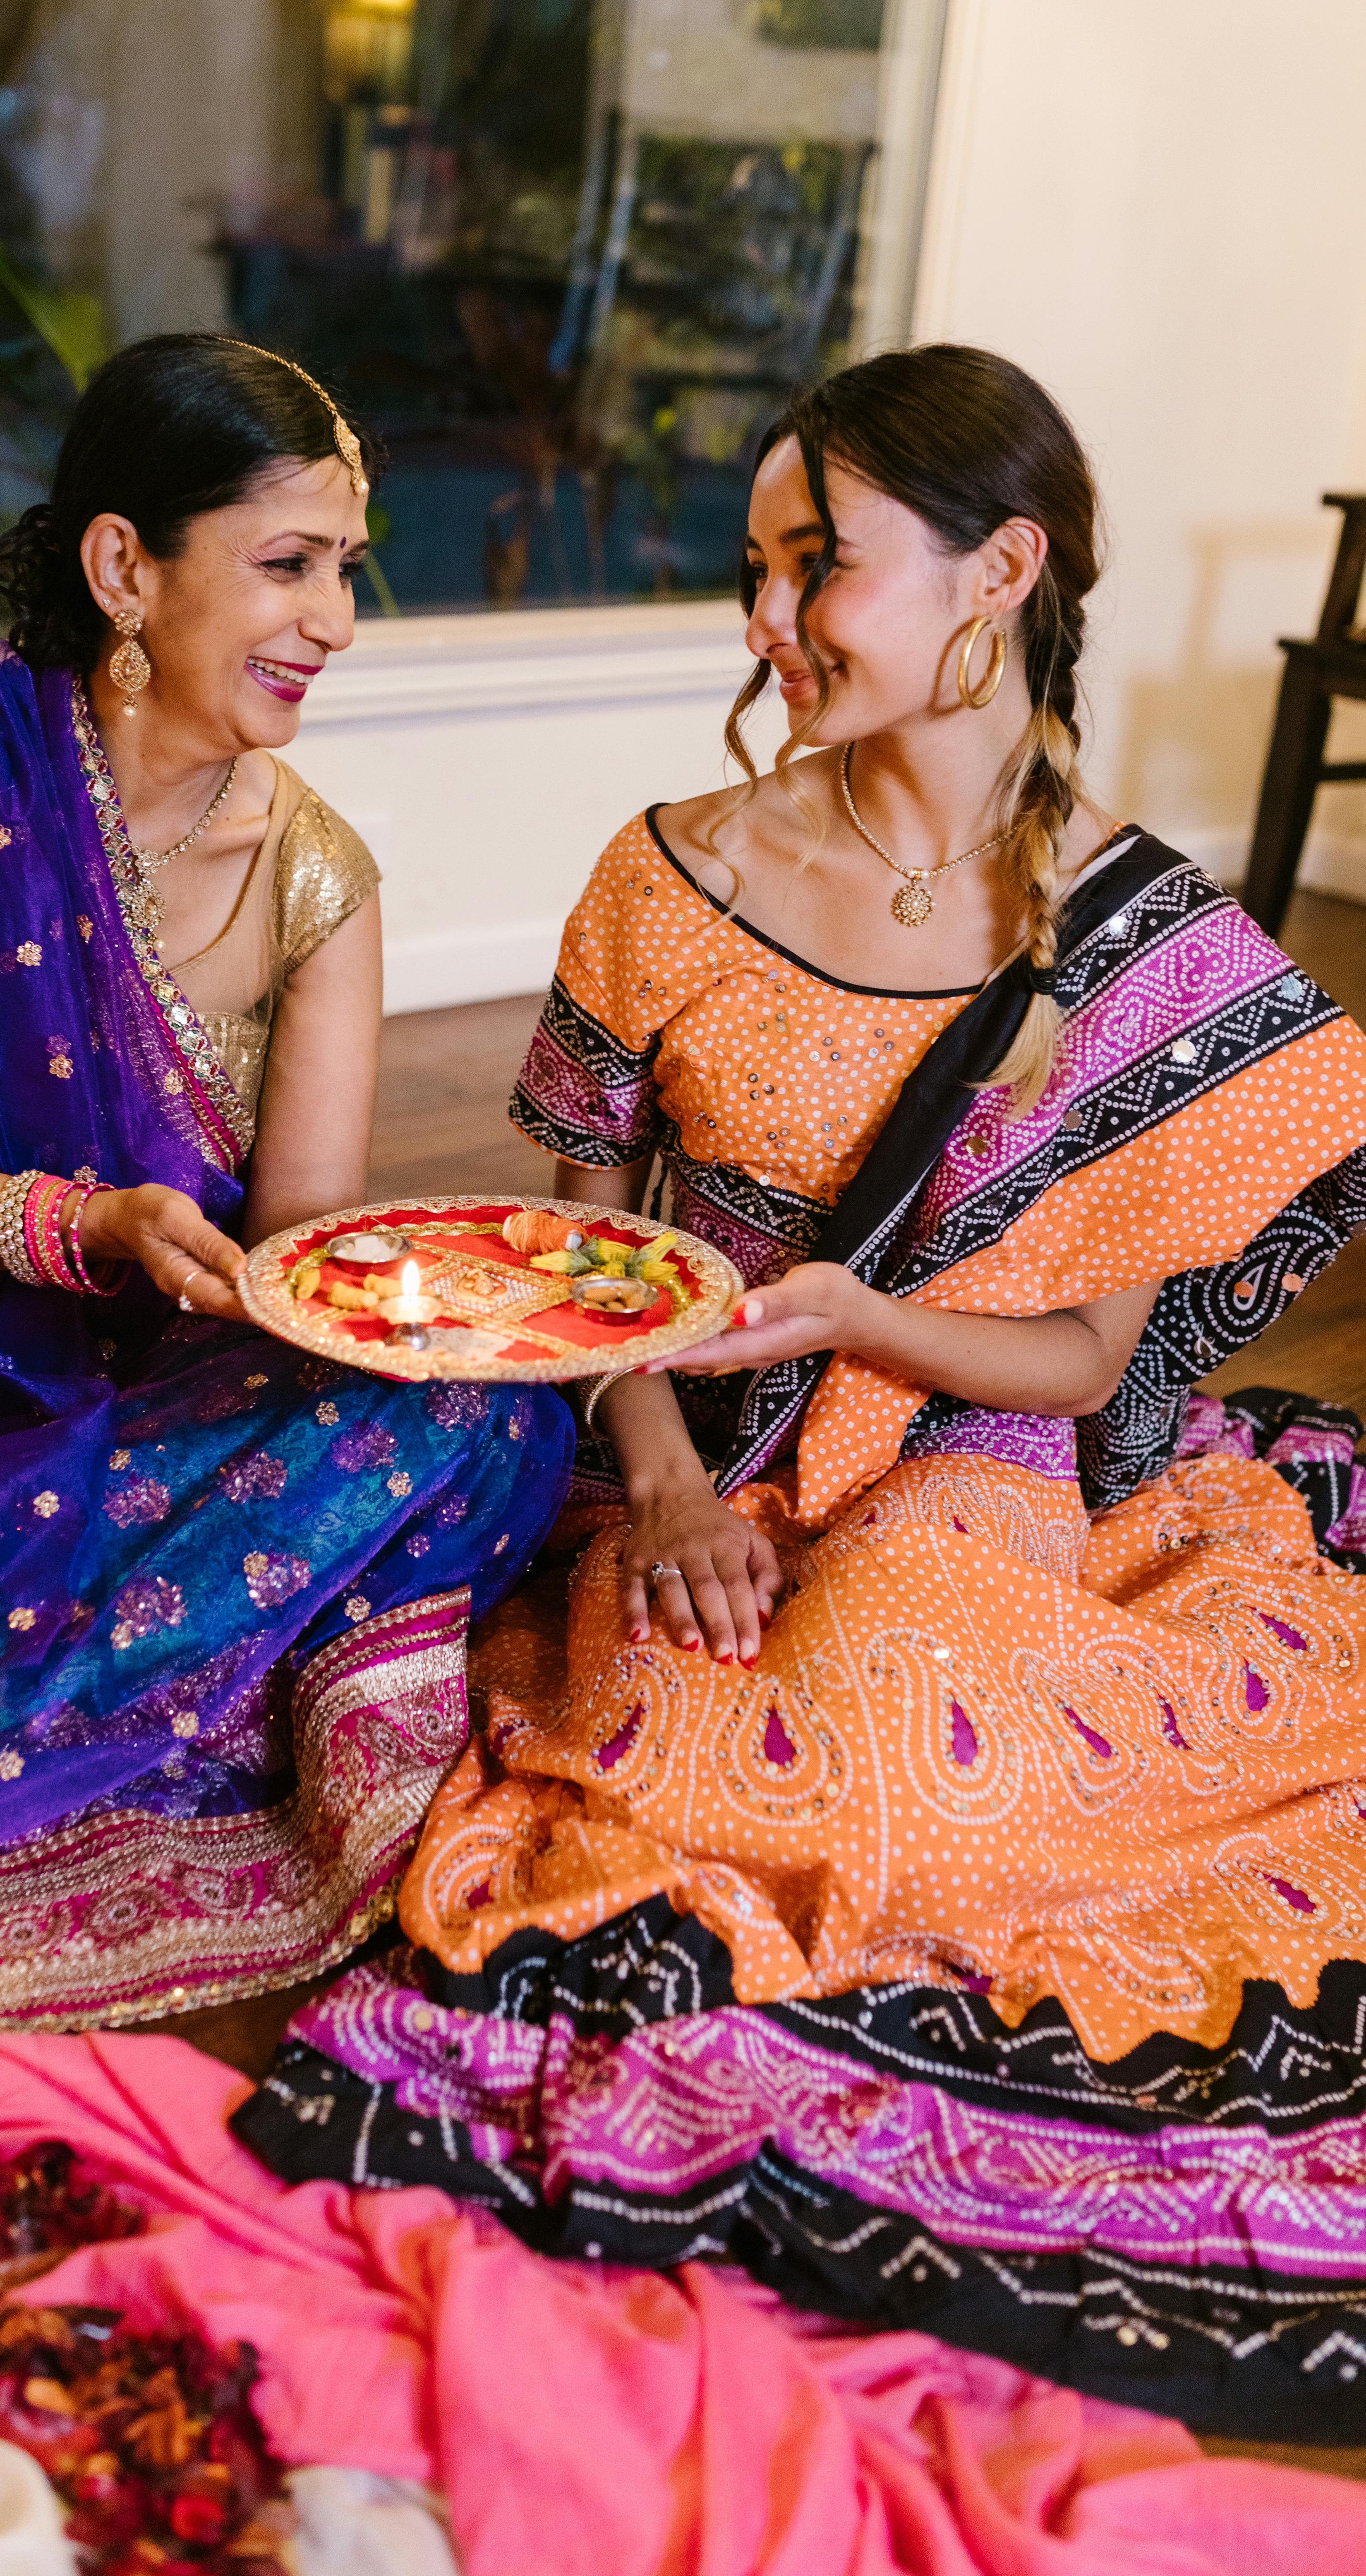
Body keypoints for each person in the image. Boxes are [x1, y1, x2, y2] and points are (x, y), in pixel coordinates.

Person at [240, 345, 1366, 2439]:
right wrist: (663, 1480)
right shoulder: (673, 870)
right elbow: (580, 1256)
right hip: (687, 1429)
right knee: (681, 1713)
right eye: (761, 565)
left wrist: (855, 1316)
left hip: (964, 1442)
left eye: (818, 563)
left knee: (890, 1751)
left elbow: (1081, 1360)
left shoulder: (1143, 948)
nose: (766, 619)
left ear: (998, 573)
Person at [0, 333, 572, 2031]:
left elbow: (298, 1247)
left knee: (495, 1423)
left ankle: (52, 1678)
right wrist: (89, 1225)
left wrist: (436, 1298)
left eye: (345, 574)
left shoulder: (319, 880)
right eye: (287, 567)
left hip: (153, 1349)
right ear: (124, 566)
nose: (337, 626)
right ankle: (184, 1675)